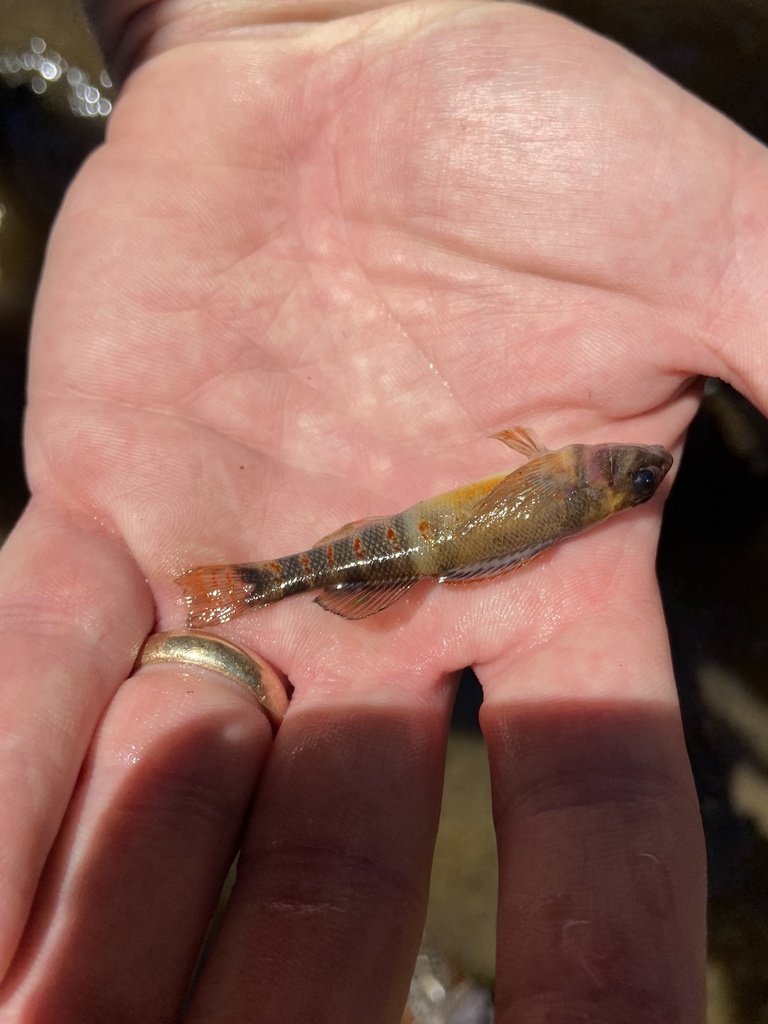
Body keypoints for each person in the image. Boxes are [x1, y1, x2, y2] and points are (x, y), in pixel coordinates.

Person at [4, 0, 764, 1018]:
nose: (631, 473)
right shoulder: (566, 488)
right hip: (412, 550)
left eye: (627, 480)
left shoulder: (558, 488)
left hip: (412, 550)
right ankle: (259, 586)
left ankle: (260, 586)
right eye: (631, 478)